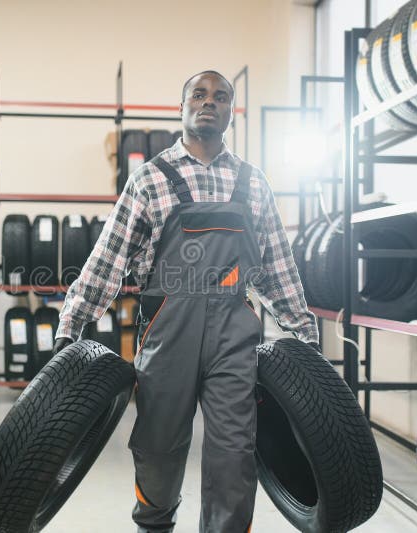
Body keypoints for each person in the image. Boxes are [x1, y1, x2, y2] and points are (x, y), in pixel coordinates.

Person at [53, 70, 319, 533]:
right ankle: (154, 525)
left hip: (234, 336)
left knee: (233, 452)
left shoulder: (253, 184)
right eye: (199, 94)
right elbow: (107, 261)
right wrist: (70, 327)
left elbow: (277, 268)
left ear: (231, 113)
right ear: (182, 108)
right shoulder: (151, 179)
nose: (209, 101)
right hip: (167, 332)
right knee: (158, 447)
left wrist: (305, 333)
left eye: (221, 96)